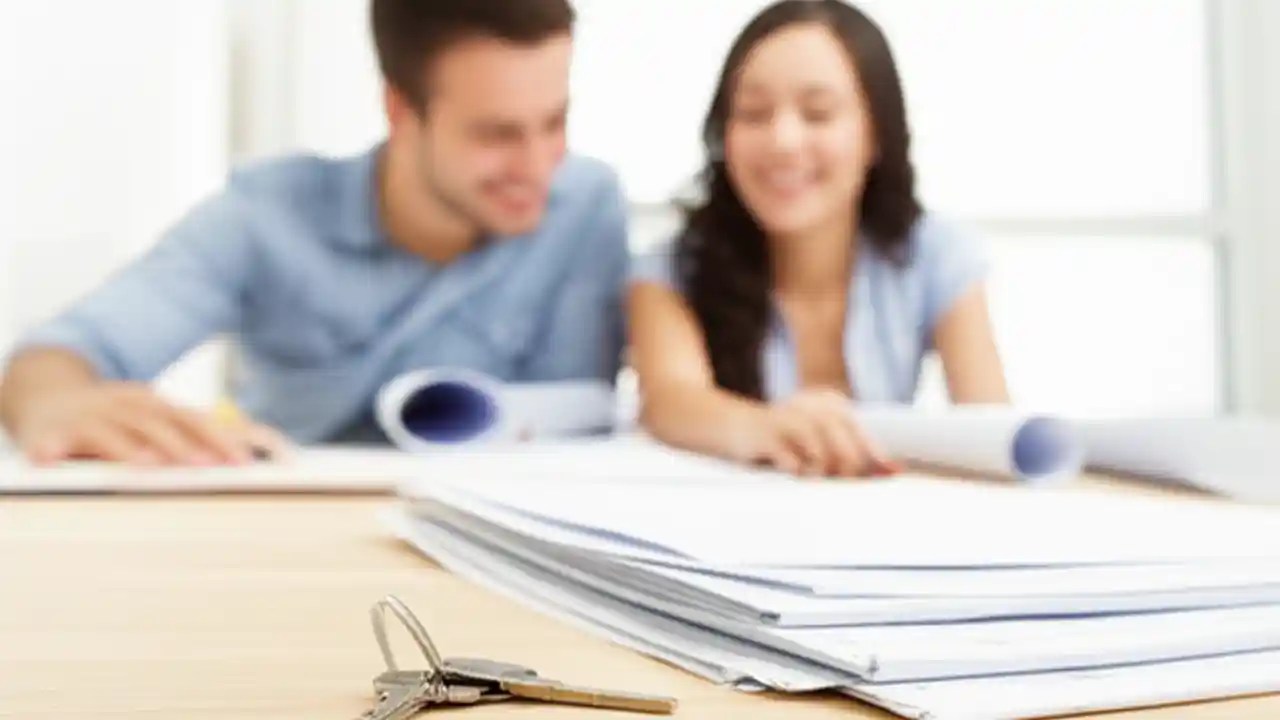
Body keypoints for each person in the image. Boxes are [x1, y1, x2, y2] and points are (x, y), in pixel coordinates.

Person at [0, 0, 628, 466]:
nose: (539, 163)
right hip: (287, 530)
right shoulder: (266, 214)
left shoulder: (587, 206)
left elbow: (582, 423)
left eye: (555, 121)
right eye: (496, 134)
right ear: (400, 110)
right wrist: (52, 404)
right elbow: (59, 355)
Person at [628, 0, 1009, 478]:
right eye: (753, 113)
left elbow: (993, 426)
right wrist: (768, 429)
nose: (783, 141)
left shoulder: (935, 254)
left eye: (818, 113)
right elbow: (670, 402)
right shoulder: (670, 270)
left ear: (876, 135)